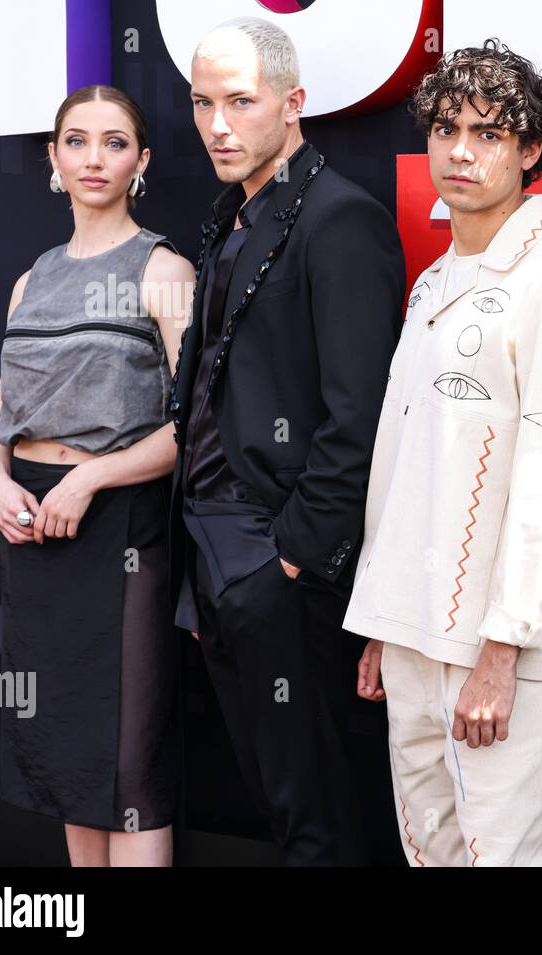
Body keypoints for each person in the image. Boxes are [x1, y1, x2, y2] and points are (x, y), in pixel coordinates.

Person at [344, 39, 542, 867]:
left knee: (513, 857)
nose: (461, 151)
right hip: (411, 635)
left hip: (503, 653)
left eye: (489, 133)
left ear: (531, 150)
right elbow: (403, 466)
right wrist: (382, 620)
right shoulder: (433, 281)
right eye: (445, 128)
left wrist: (503, 651)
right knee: (427, 850)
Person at [169, 17, 405, 866]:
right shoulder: (233, 214)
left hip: (278, 564)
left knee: (315, 816)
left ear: (293, 103)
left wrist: (292, 558)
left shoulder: (340, 219)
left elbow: (361, 413)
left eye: (241, 101)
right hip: (214, 556)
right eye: (202, 102)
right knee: (278, 803)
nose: (218, 124)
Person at [0, 84, 194, 866]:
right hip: (35, 536)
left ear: (140, 161)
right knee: (71, 756)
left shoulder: (163, 268)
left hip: (124, 533)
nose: (93, 158)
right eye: (77, 140)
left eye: (114, 142)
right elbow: (0, 422)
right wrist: (0, 485)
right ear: (53, 158)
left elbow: (195, 426)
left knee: (128, 756)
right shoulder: (30, 281)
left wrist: (93, 478)